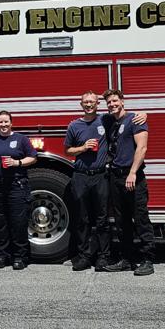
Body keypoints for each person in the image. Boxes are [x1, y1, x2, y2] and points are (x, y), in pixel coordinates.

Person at [64, 92, 147, 272]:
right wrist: (83, 147)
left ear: (97, 104)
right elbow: (67, 150)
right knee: (82, 218)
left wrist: (144, 114)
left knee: (102, 219)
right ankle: (84, 256)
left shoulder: (106, 120)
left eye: (92, 102)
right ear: (81, 104)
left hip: (101, 176)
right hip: (80, 176)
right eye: (86, 102)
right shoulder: (74, 125)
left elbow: (125, 117)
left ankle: (103, 256)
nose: (89, 105)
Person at [101, 89, 155, 276]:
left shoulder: (135, 120)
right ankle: (126, 259)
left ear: (122, 101)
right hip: (115, 177)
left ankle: (147, 260)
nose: (112, 104)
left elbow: (142, 148)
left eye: (115, 101)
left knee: (140, 219)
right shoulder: (110, 122)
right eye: (109, 102)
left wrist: (132, 173)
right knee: (121, 221)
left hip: (133, 177)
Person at [0, 110, 37, 270]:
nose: (3, 125)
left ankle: (19, 257)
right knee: (0, 223)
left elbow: (33, 157)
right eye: (0, 122)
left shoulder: (21, 139)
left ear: (11, 123)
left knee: (18, 222)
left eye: (6, 121)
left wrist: (17, 163)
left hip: (16, 186)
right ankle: (1, 256)